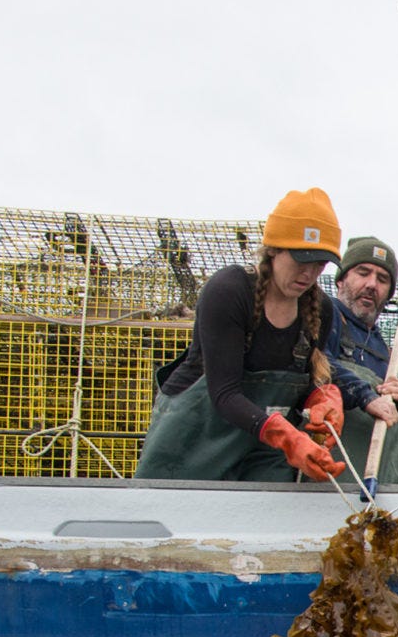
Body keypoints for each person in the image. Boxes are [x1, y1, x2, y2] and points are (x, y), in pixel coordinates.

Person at [134, 188, 352, 483]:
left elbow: (305, 381)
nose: (309, 274)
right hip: (196, 439)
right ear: (274, 248)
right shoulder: (230, 291)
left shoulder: (320, 309)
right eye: (302, 259)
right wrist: (286, 436)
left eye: (320, 264)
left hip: (264, 451)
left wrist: (324, 397)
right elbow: (224, 393)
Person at [327, 235, 398, 485]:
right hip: (329, 484)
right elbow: (317, 367)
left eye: (382, 279)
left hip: (386, 487)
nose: (372, 284)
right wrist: (365, 395)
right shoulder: (324, 318)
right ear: (341, 280)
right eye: (363, 273)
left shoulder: (393, 359)